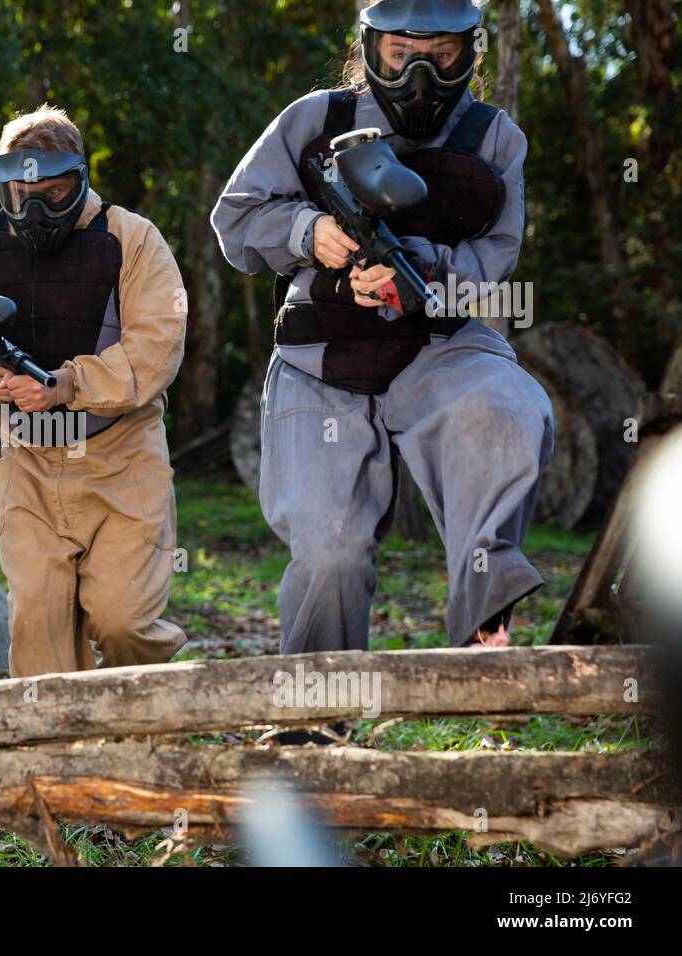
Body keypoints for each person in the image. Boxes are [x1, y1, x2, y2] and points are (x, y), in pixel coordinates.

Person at [211, 0, 553, 653]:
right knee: (330, 556)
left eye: (439, 53)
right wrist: (307, 231)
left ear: (468, 51)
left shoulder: (494, 136)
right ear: (371, 46)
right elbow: (235, 220)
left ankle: (486, 617)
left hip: (437, 345)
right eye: (401, 51)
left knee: (505, 409)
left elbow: (493, 260)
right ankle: (317, 712)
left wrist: (422, 272)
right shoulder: (316, 118)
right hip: (321, 359)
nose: (418, 69)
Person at [0, 105, 188, 678]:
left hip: (121, 458)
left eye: (53, 191)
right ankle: (55, 763)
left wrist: (68, 383)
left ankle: (143, 735)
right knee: (37, 626)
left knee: (123, 623)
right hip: (28, 464)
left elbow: (157, 346)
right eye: (20, 193)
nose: (35, 207)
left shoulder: (131, 239)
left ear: (79, 179)